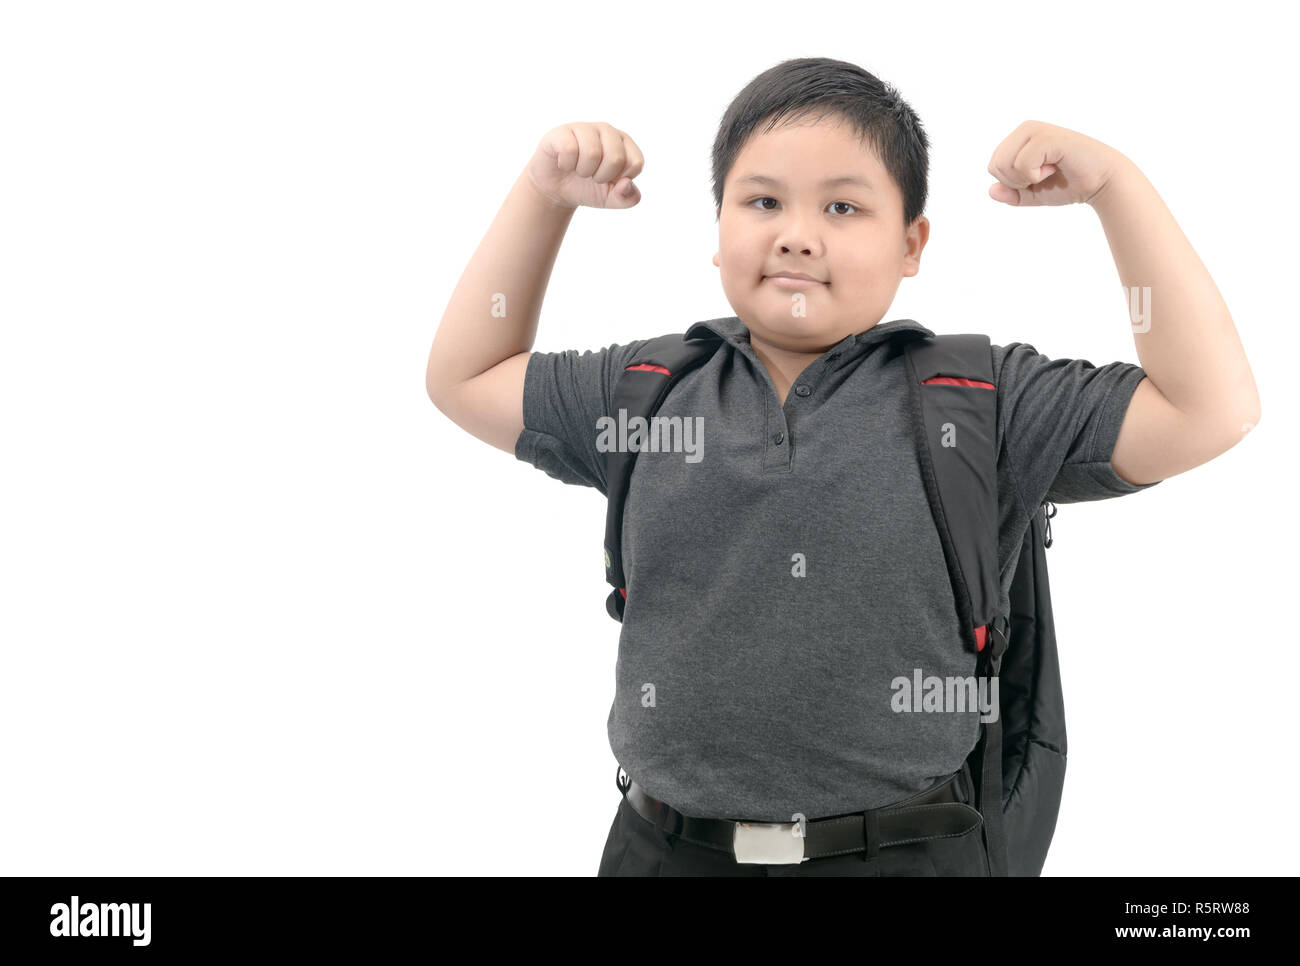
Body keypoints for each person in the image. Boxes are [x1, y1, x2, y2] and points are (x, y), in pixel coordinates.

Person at [424, 57, 1260, 876]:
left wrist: (1118, 188)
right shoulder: (645, 389)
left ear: (911, 243)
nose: (796, 232)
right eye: (762, 201)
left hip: (908, 852)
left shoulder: (980, 399)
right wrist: (544, 198)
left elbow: (1208, 409)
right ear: (717, 233)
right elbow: (465, 377)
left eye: (842, 206)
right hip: (661, 850)